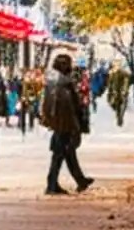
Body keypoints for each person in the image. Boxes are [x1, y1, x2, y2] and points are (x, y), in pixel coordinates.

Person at [42, 54, 94, 195]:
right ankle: (52, 185)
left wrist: (49, 120)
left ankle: (79, 180)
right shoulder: (65, 83)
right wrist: (78, 124)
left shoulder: (52, 80)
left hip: (59, 123)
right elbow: (72, 106)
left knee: (64, 153)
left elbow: (47, 105)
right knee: (61, 154)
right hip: (65, 124)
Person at [108, 59, 131, 127]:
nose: (116, 65)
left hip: (121, 92)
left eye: (117, 64)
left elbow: (126, 82)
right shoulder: (112, 73)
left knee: (122, 105)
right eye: (115, 64)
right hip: (115, 92)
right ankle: (119, 117)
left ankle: (120, 118)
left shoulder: (124, 73)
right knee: (116, 106)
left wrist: (124, 90)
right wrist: (110, 92)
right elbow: (110, 84)